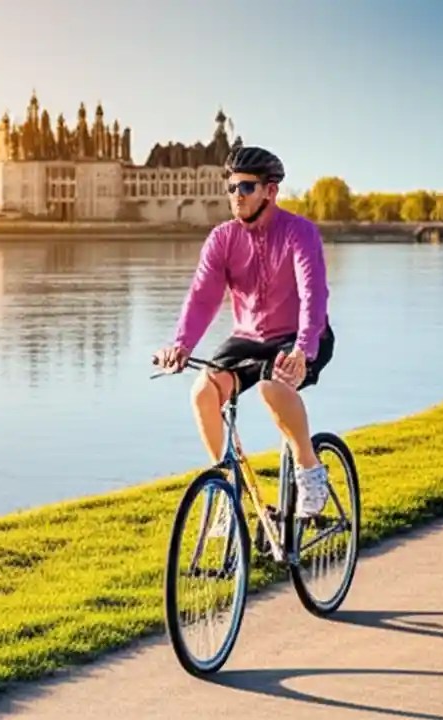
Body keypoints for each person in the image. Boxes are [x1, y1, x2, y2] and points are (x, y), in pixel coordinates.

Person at [153, 145, 335, 518]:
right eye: (232, 187)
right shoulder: (222, 238)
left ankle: (309, 468)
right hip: (249, 338)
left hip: (299, 335)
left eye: (246, 187)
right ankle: (228, 490)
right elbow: (202, 297)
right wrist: (181, 344)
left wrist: (303, 349)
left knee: (273, 386)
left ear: (270, 191)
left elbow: (313, 295)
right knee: (203, 390)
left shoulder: (300, 232)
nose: (237, 195)